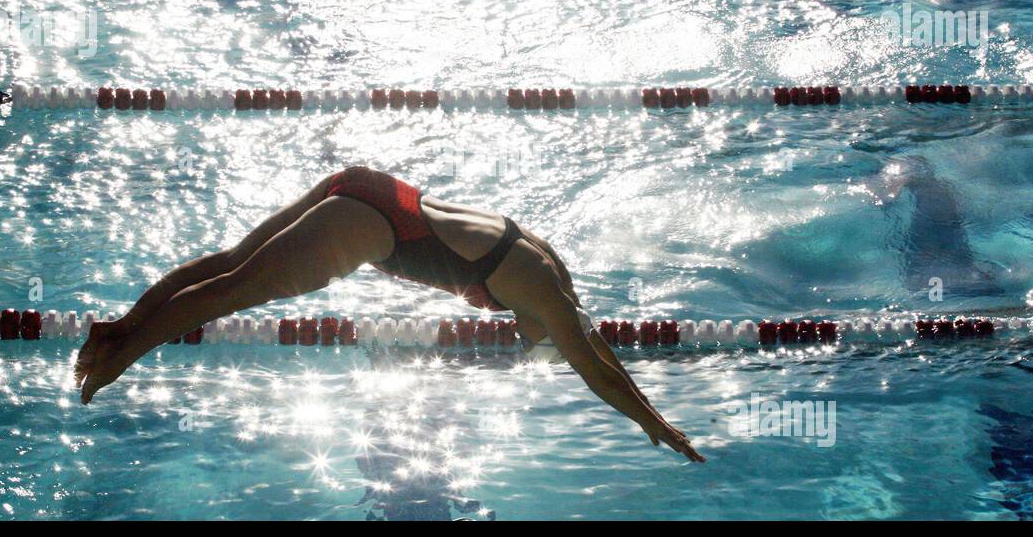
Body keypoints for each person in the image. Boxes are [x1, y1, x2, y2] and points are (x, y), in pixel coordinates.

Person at [75, 166, 705, 462]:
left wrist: (645, 405)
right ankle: (118, 357)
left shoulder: (549, 267)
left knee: (229, 264)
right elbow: (594, 368)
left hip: (373, 187)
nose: (523, 340)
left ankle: (123, 328)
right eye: (533, 339)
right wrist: (654, 424)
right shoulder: (541, 296)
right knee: (231, 291)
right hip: (369, 227)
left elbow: (596, 347)